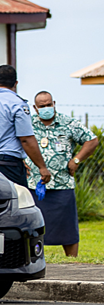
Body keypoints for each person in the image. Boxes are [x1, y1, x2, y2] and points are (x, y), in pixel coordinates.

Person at [26, 91, 99, 257]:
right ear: (35, 108)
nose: (46, 108)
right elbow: (17, 141)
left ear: (54, 104)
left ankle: (72, 261)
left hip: (63, 183)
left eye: (48, 104)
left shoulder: (68, 123)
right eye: (42, 106)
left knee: (68, 227)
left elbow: (92, 140)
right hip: (35, 184)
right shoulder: (28, 124)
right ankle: (35, 258)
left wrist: (77, 160)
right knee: (34, 227)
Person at [0, 65, 50, 187]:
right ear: (15, 83)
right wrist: (42, 167)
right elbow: (26, 139)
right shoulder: (18, 104)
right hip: (8, 164)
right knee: (16, 202)